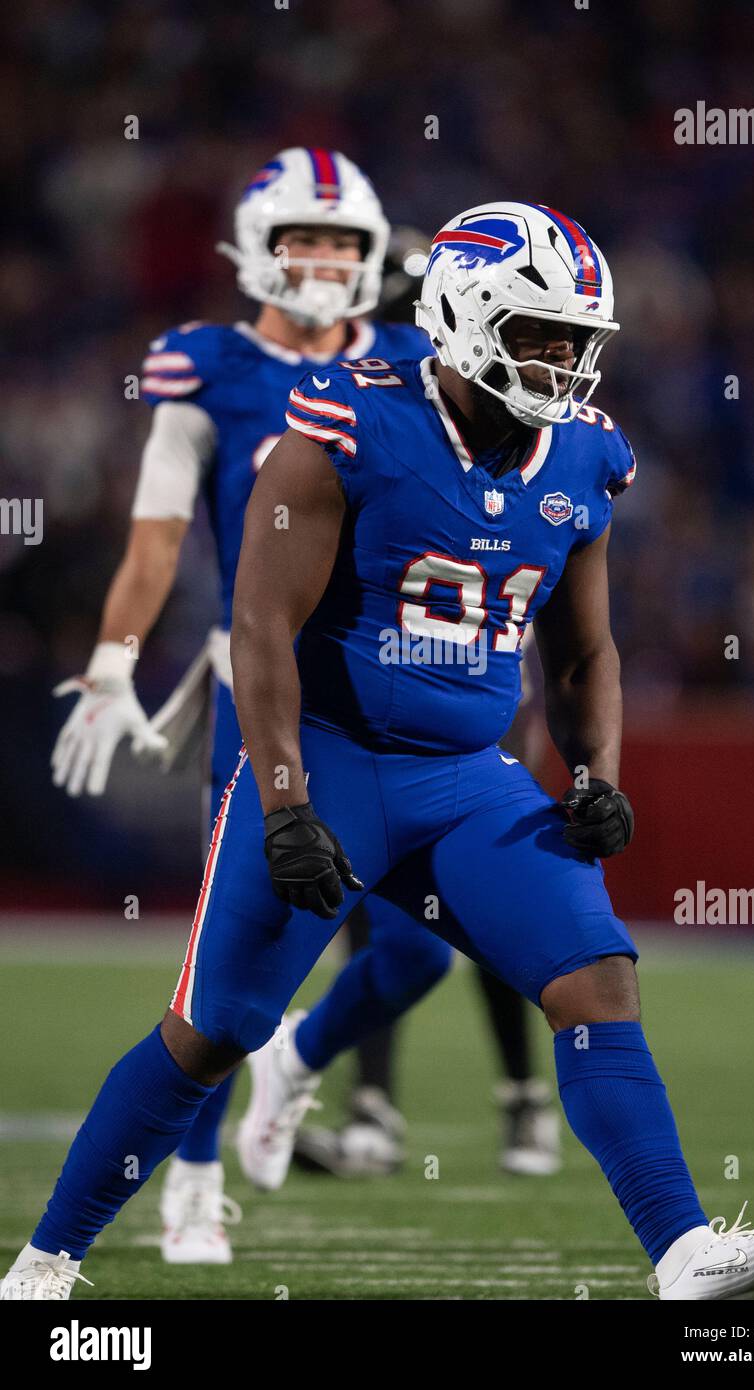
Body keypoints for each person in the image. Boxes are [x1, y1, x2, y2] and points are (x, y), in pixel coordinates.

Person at [6, 200, 754, 1301]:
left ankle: (683, 1255)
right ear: (465, 315)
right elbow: (259, 624)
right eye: (539, 332)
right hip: (331, 753)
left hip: (464, 777)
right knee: (211, 1033)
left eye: (575, 339)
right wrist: (284, 799)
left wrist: (595, 775)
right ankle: (44, 1262)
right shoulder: (348, 424)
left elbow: (584, 652)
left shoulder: (584, 455)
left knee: (595, 981)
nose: (563, 360)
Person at [46, 147, 441, 1264]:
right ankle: (196, 1173)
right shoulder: (206, 367)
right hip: (256, 687)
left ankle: (298, 1061)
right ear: (253, 248)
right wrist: (115, 660)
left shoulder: (413, 359)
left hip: (390, 684)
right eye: (299, 239)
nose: (319, 261)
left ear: (368, 256)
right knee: (225, 972)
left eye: (340, 242)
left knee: (418, 955)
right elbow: (158, 538)